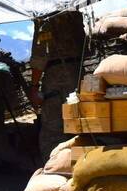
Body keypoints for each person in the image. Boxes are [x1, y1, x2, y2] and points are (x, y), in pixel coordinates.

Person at [28, 10, 86, 160]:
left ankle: (53, 167)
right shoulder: (74, 14)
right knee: (78, 124)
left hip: (57, 78)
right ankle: (80, 163)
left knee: (52, 130)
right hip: (78, 74)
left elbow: (40, 55)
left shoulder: (45, 19)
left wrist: (34, 87)